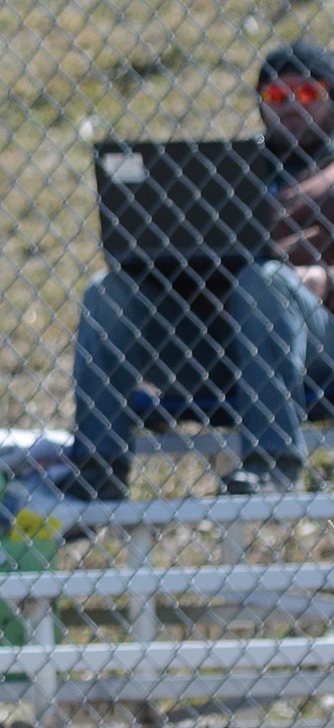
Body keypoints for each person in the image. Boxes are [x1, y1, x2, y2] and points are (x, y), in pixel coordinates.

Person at [66, 39, 334, 499]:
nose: (290, 106)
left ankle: (274, 463)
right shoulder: (225, 175)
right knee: (106, 291)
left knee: (264, 281)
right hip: (215, 347)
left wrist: (321, 281)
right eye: (276, 96)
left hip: (315, 351)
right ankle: (98, 470)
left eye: (306, 93)